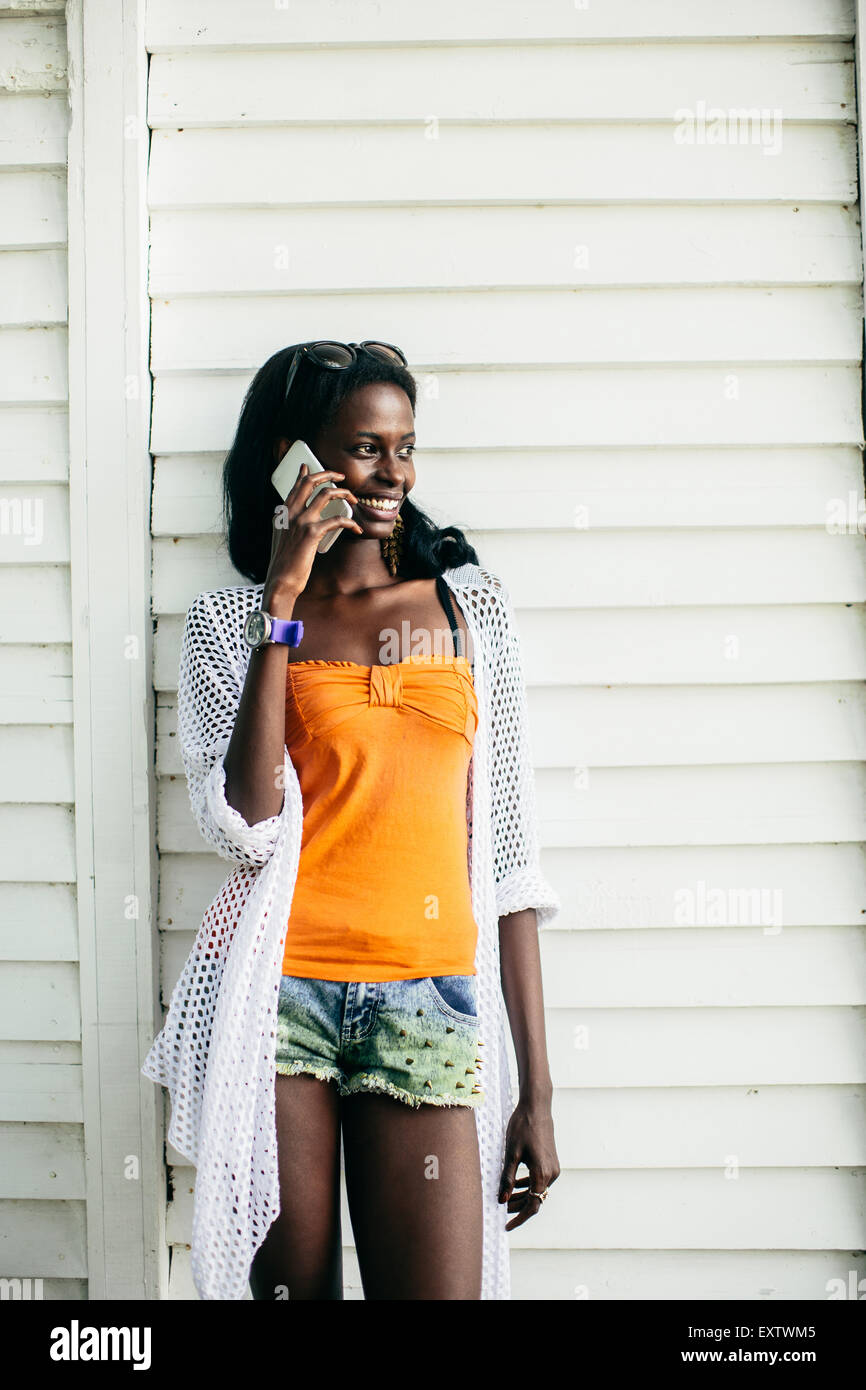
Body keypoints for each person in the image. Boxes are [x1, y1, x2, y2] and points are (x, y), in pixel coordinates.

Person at [142, 339, 562, 1300]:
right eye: (364, 449)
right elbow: (244, 820)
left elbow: (508, 860)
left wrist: (537, 1090)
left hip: (428, 1001)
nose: (393, 474)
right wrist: (280, 608)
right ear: (297, 463)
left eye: (404, 447)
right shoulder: (228, 624)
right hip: (278, 1003)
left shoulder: (468, 613)